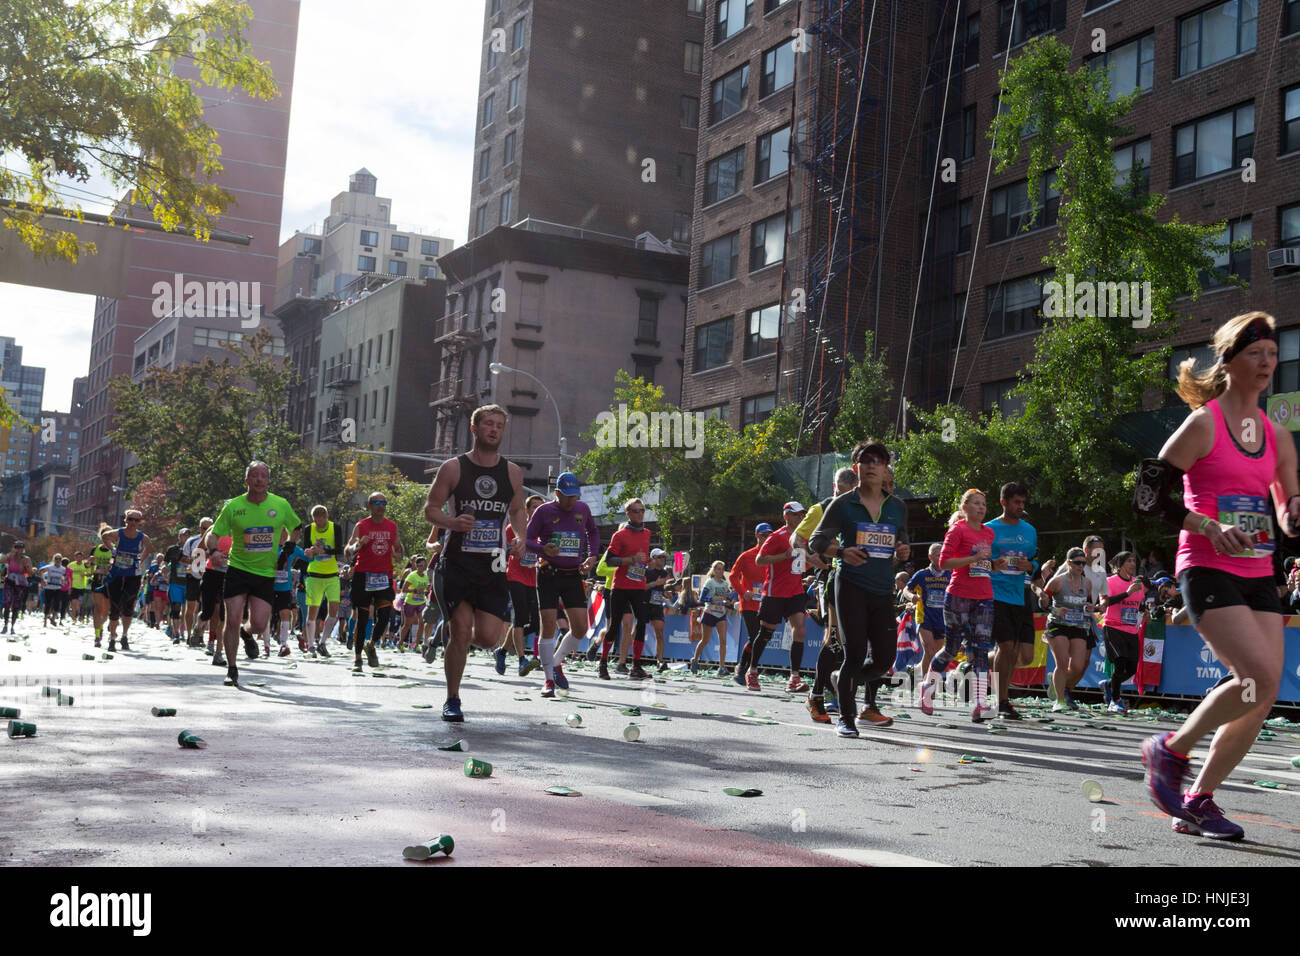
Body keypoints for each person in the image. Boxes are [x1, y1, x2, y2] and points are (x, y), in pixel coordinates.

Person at [1132, 311, 1300, 840]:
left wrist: (1293, 513)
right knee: (1259, 677)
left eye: (1272, 353)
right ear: (1229, 361)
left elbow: (1287, 509)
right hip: (1205, 567)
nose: (1267, 362)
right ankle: (1170, 749)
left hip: (1258, 573)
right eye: (1256, 353)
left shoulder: (1277, 436)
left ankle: (1199, 799)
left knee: (1261, 693)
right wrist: (1206, 524)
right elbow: (1147, 495)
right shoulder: (1204, 422)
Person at [424, 404, 527, 722]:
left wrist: (521, 537)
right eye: (488, 424)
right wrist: (452, 523)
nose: (494, 429)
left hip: (494, 561)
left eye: (499, 425)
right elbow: (431, 509)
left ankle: (448, 634)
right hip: (457, 561)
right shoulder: (454, 468)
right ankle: (452, 699)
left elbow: (518, 510)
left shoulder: (512, 472)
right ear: (475, 429)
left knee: (488, 637)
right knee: (460, 631)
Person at [808, 440, 909, 735]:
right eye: (865, 460)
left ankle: (843, 680)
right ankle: (847, 718)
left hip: (882, 589)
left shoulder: (898, 506)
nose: (871, 465)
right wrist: (841, 553)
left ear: (886, 467)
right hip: (850, 585)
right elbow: (815, 542)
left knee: (883, 660)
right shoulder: (843, 504)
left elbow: (901, 542)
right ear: (857, 468)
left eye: (877, 460)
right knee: (853, 653)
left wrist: (903, 551)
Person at [206, 461, 300, 686]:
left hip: (265, 573)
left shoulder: (280, 504)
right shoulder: (233, 507)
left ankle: (246, 634)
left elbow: (296, 527)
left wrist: (288, 546)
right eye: (254, 475)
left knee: (258, 624)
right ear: (246, 480)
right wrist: (213, 551)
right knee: (232, 618)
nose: (259, 479)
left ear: (268, 481)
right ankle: (232, 668)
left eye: (263, 476)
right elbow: (213, 534)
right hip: (238, 569)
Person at [919, 489, 996, 722]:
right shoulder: (957, 529)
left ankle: (980, 704)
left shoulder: (989, 533)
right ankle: (927, 688)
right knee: (952, 649)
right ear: (965, 507)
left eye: (983, 504)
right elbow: (944, 562)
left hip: (984, 596)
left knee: (982, 650)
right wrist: (973, 559)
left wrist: (996, 564)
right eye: (975, 503)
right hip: (958, 596)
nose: (981, 508)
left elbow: (984, 565)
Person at [524, 473, 601, 690]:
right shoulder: (543, 511)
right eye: (567, 497)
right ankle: (548, 679)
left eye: (574, 496)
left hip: (572, 574)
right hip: (548, 572)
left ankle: (556, 663)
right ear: (556, 494)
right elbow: (527, 540)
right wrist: (542, 549)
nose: (571, 501)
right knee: (548, 625)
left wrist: (592, 555)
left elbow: (593, 531)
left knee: (580, 628)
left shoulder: (582, 509)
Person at [741, 502, 814, 693]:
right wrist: (784, 555)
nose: (800, 517)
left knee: (800, 630)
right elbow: (760, 560)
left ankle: (794, 678)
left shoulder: (802, 538)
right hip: (774, 591)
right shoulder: (776, 537)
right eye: (797, 514)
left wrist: (815, 563)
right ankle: (753, 671)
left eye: (802, 514)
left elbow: (803, 563)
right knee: (766, 633)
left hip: (796, 590)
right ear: (787, 516)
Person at [986, 481, 1038, 720]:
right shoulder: (988, 529)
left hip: (1020, 596)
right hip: (994, 594)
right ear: (1003, 502)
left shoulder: (1029, 530)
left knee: (1017, 652)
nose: (1020, 506)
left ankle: (1002, 695)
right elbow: (976, 561)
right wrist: (992, 565)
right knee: (1006, 646)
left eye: (1023, 502)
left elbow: (1033, 560)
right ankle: (1001, 700)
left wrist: (1032, 565)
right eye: (1016, 502)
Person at [347, 491, 404, 672]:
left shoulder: (392, 526)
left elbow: (399, 548)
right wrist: (358, 545)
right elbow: (348, 550)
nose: (381, 505)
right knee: (363, 619)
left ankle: (371, 645)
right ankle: (357, 658)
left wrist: (398, 554)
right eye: (376, 502)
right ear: (369, 506)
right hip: (363, 575)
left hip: (384, 576)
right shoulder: (361, 525)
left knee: (385, 615)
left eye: (384, 502)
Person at [597, 498, 654, 681]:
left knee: (642, 623)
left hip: (638, 586)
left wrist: (648, 563)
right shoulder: (619, 535)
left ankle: (636, 666)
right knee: (614, 626)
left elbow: (642, 560)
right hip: (620, 586)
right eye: (636, 510)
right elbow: (609, 561)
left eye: (642, 510)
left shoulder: (647, 533)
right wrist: (631, 559)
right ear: (628, 513)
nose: (640, 513)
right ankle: (603, 663)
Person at [1035, 547, 1097, 712]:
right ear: (1069, 563)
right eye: (1077, 563)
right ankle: (1060, 700)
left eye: (1083, 563)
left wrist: (1090, 607)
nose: (1081, 566)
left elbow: (1087, 603)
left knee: (1077, 666)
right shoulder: (1057, 581)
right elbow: (1042, 603)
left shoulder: (1087, 583)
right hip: (1058, 625)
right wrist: (1055, 610)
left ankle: (1058, 684)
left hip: (1078, 625)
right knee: (1062, 663)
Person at [499, 494, 543, 676]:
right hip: (514, 576)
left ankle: (501, 651)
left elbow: (543, 554)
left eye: (541, 507)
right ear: (526, 510)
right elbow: (500, 550)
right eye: (534, 507)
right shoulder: (513, 528)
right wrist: (512, 551)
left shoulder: (542, 531)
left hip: (532, 578)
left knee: (535, 624)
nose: (537, 510)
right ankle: (521, 660)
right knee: (520, 618)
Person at [1096, 551, 1144, 712]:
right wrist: (1127, 593)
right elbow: (1105, 602)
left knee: (1131, 668)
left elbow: (1137, 604)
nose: (1133, 564)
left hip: (1131, 630)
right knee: (1120, 663)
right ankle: (1115, 700)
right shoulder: (1110, 581)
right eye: (1129, 561)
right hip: (1113, 627)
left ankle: (1109, 685)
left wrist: (1146, 612)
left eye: (1134, 561)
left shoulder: (1139, 584)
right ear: (1121, 564)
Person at [102, 510, 150, 652]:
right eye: (131, 519)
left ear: (140, 522)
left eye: (137, 520)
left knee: (129, 606)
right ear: (126, 520)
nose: (133, 523)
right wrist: (113, 549)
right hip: (117, 573)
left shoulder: (142, 537)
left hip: (133, 575)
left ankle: (124, 635)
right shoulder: (119, 533)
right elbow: (104, 536)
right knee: (115, 606)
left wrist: (141, 560)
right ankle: (112, 638)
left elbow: (150, 547)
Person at [905, 543, 950, 681]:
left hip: (942, 619)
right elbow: (906, 590)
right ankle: (927, 684)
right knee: (930, 650)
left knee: (934, 653)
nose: (941, 556)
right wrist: (911, 597)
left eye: (943, 553)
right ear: (930, 557)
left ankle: (920, 671)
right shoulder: (922, 574)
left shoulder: (950, 574)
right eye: (937, 554)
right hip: (924, 618)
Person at [301, 505, 342, 657]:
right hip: (314, 575)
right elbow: (307, 551)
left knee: (333, 610)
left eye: (321, 521)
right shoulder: (308, 529)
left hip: (332, 575)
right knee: (312, 611)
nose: (318, 524)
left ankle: (323, 642)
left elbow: (339, 549)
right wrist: (310, 551)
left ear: (326, 516)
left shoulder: (335, 527)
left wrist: (323, 550)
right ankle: (310, 645)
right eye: (316, 521)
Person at [690, 561, 733, 674]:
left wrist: (727, 602)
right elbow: (702, 599)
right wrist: (713, 599)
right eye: (718, 569)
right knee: (705, 640)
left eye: (722, 569)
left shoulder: (725, 584)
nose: (720, 571)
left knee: (723, 641)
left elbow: (725, 599)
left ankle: (721, 667)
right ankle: (695, 660)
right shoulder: (709, 582)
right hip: (709, 613)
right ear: (714, 570)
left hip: (721, 614)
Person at [643, 549, 674, 672]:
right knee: (635, 633)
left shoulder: (664, 572)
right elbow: (641, 587)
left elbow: (660, 589)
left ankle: (660, 662)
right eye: (660, 557)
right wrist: (655, 583)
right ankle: (630, 660)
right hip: (644, 604)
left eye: (663, 557)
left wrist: (666, 593)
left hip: (656, 605)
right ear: (653, 558)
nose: (663, 559)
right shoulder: (646, 570)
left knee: (660, 633)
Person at [2, 541, 32, 634]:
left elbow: (30, 573)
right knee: (7, 602)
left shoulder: (26, 559)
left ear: (23, 549)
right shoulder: (10, 556)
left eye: (20, 548)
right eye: (17, 548)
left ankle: (12, 626)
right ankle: (5, 625)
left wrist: (27, 567)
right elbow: (1, 561)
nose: (18, 550)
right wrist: (10, 553)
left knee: (16, 605)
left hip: (20, 584)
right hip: (10, 581)